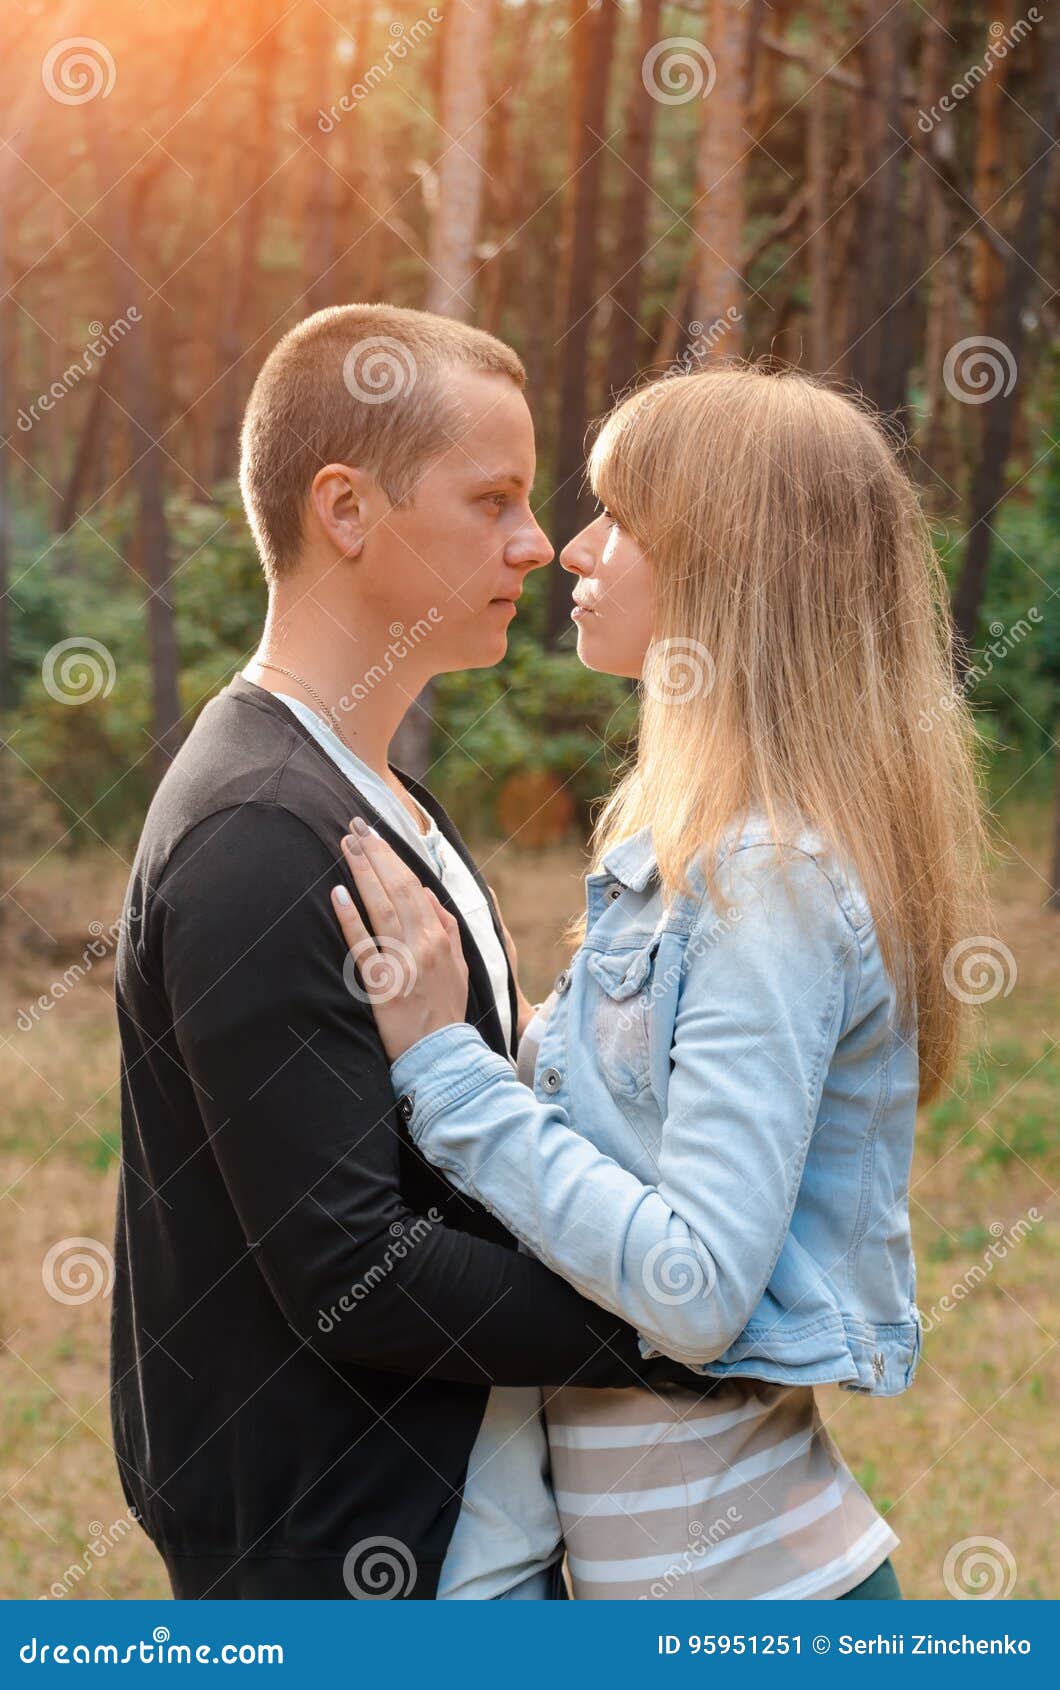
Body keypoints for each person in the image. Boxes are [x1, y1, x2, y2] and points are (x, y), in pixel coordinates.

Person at [329, 365, 988, 1599]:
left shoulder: (765, 879)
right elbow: (630, 1117)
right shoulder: (688, 851)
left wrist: (447, 1070)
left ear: (728, 574)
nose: (574, 546)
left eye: (622, 520)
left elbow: (692, 1288)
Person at [111, 304, 708, 1602]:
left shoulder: (376, 799)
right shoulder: (258, 836)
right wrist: (686, 1324)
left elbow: (454, 1143)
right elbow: (351, 1272)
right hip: (356, 1577)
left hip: (477, 1546)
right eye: (491, 498)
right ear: (346, 508)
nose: (537, 542)